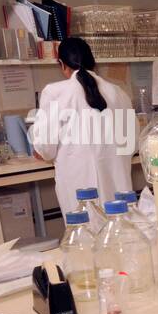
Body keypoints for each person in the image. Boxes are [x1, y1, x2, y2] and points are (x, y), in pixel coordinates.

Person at [29, 37, 137, 217]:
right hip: (119, 187)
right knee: (120, 235)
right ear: (92, 61)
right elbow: (132, 145)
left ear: (62, 64)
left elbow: (45, 149)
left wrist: (41, 149)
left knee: (84, 236)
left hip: (80, 188)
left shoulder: (54, 92)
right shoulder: (119, 92)